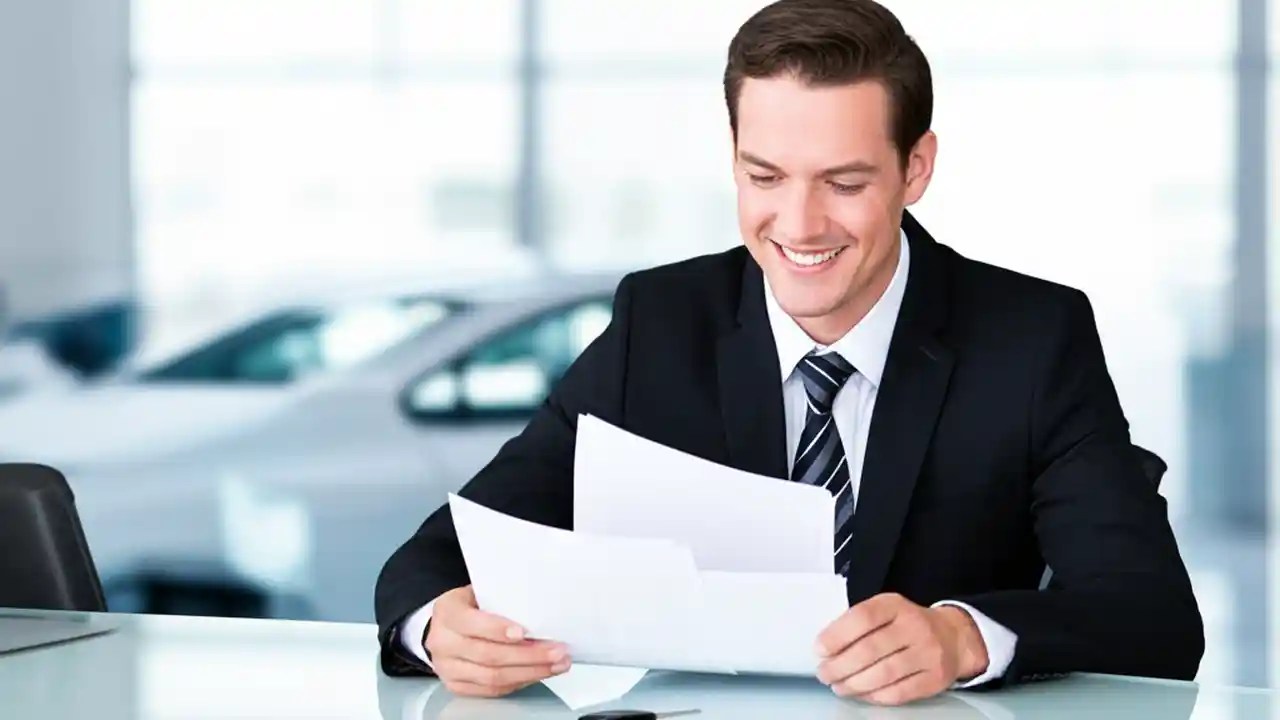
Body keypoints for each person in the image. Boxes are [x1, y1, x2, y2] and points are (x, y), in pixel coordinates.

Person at [375, 0, 1204, 706]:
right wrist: (439, 625)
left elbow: (1152, 616)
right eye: (764, 177)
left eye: (844, 183)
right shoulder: (660, 323)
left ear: (916, 168)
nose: (800, 227)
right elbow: (437, 555)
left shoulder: (1031, 338)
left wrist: (961, 639)